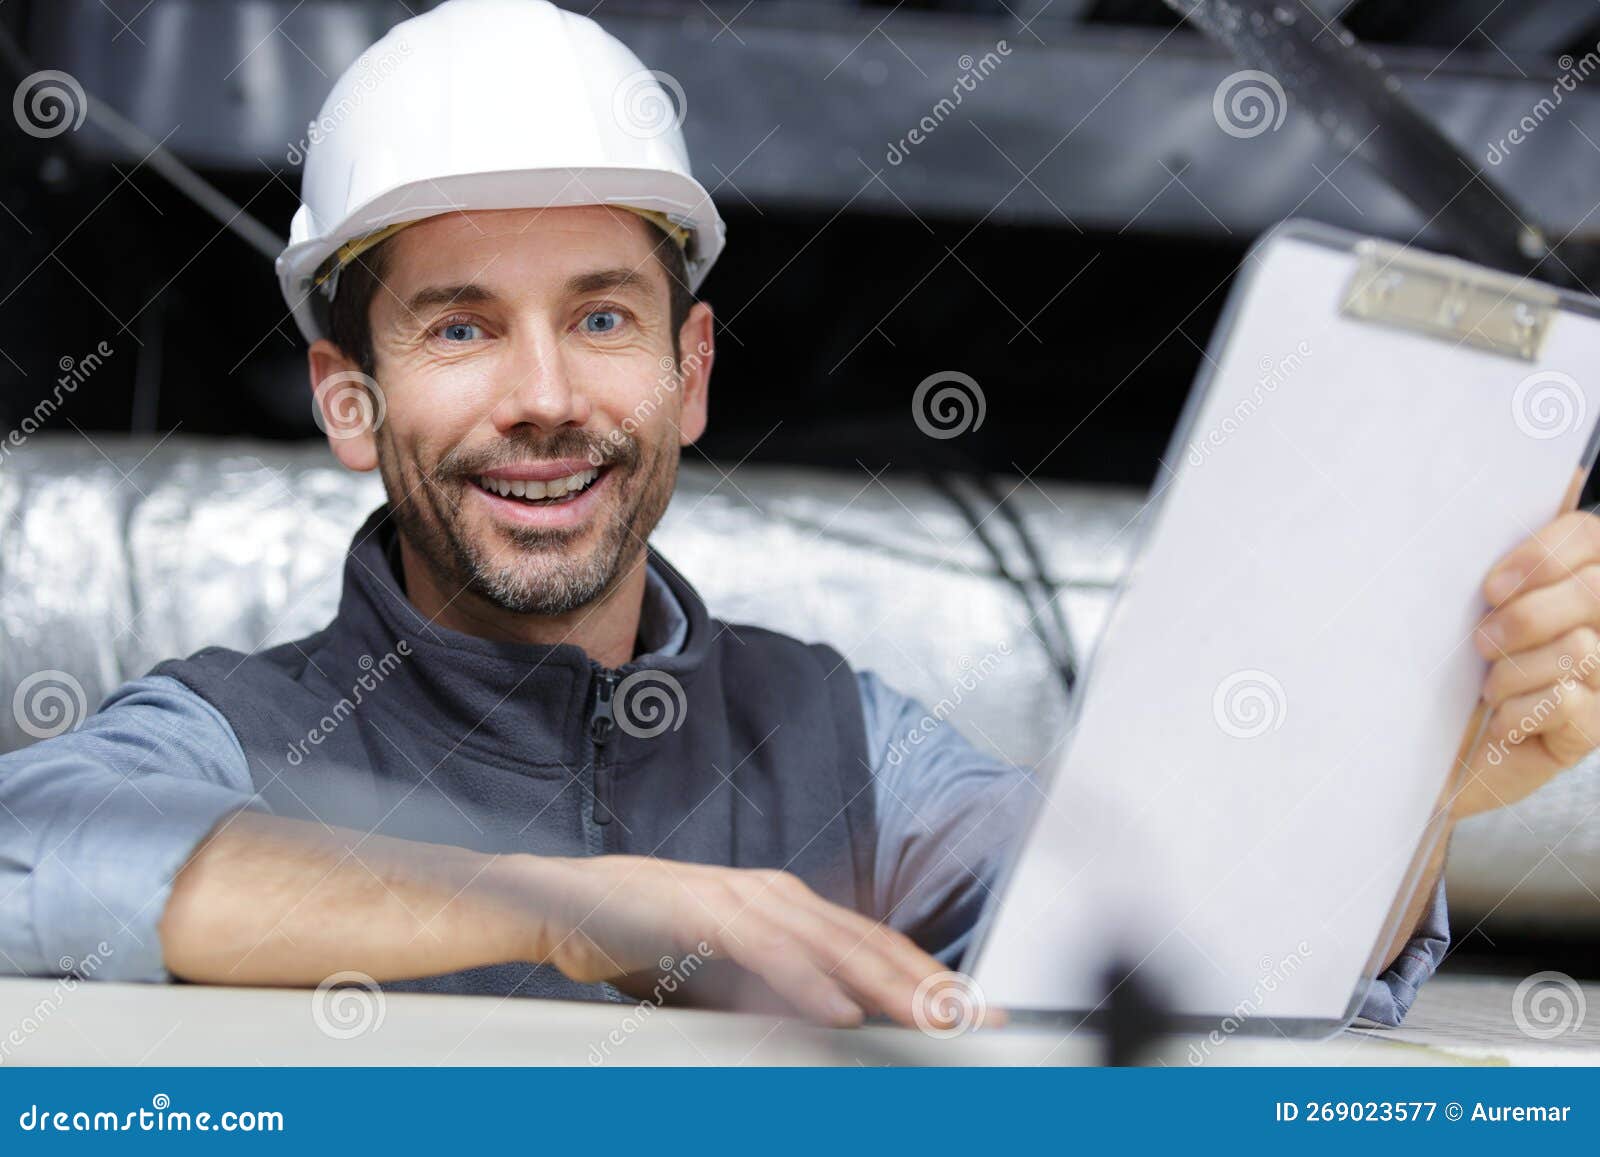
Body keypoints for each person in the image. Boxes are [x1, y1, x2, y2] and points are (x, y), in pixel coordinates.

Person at [0, 0, 1591, 1031]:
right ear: (350, 400)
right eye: (462, 327)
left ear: (688, 371)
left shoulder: (850, 747)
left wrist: (1416, 787)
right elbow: (36, 857)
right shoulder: (227, 732)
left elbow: (1171, 956)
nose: (545, 395)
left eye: (603, 317)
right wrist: (568, 903)